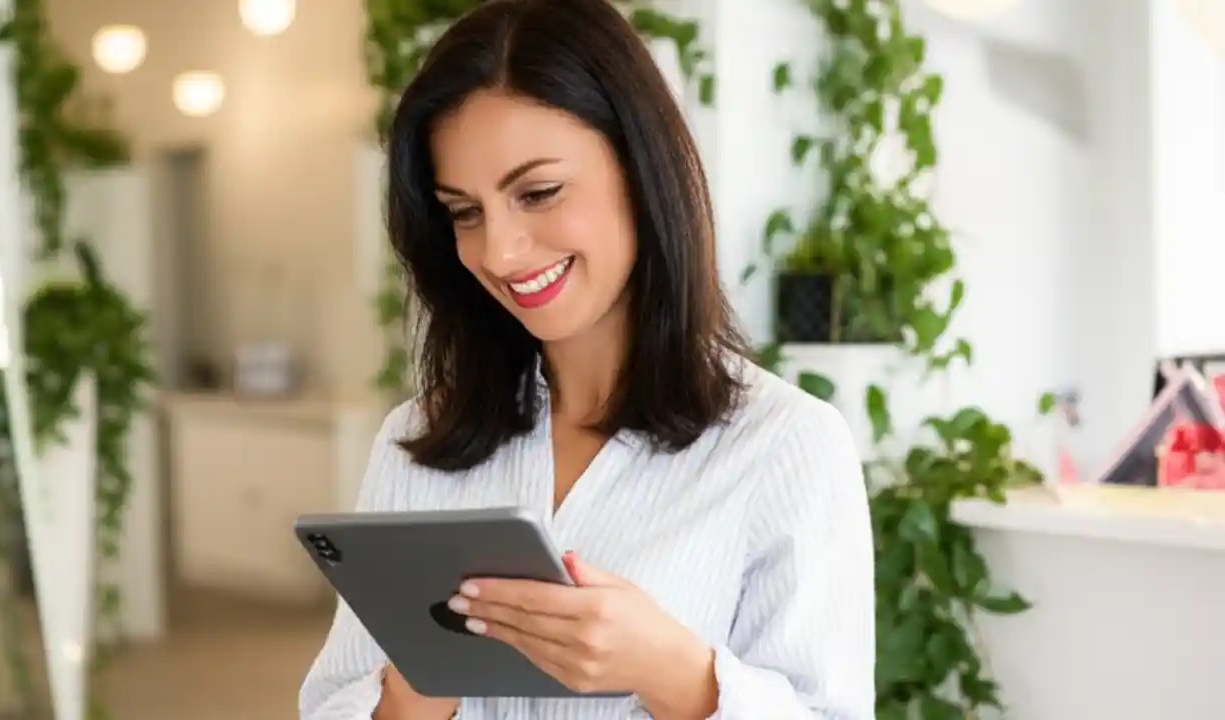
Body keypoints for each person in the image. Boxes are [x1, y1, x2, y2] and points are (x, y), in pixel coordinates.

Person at [299, 0, 873, 717]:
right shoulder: (418, 446)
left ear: (639, 168)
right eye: (464, 212)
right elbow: (333, 703)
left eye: (537, 193)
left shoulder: (786, 446)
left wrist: (672, 671)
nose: (499, 252)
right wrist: (422, 674)